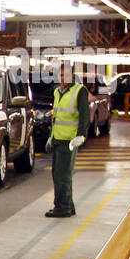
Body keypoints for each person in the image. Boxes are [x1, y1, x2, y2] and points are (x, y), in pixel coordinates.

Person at [45, 63, 88, 218]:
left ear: (72, 75)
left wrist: (81, 135)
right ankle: (68, 205)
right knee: (58, 174)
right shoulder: (57, 92)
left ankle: (62, 208)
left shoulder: (79, 91)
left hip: (69, 140)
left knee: (63, 175)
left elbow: (84, 114)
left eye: (67, 75)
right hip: (57, 138)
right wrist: (51, 136)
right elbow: (57, 117)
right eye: (61, 75)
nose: (64, 78)